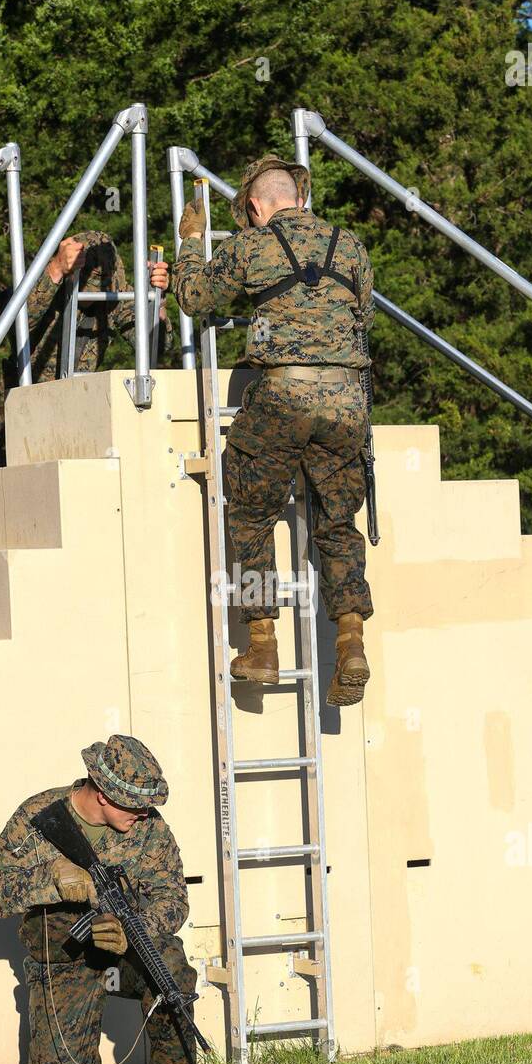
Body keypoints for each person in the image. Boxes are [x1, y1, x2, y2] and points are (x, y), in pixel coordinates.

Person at [169, 154, 375, 707]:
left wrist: (193, 239)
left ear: (257, 208)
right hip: (347, 402)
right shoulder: (350, 245)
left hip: (282, 397)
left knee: (252, 516)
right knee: (337, 525)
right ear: (301, 198)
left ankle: (262, 646)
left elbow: (193, 298)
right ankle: (352, 642)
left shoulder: (250, 245)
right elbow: (362, 318)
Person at [0, 734, 203, 1064]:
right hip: (64, 961)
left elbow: (174, 899)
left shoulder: (148, 828)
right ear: (102, 793)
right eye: (135, 805)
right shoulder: (37, 818)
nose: (142, 814)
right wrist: (50, 879)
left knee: (171, 968)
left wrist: (135, 930)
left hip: (126, 956)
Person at [0, 232, 171, 466]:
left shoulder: (112, 296)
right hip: (23, 417)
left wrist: (155, 300)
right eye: (87, 286)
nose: (92, 297)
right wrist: (55, 270)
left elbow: (157, 344)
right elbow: (14, 325)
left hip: (74, 418)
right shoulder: (40, 285)